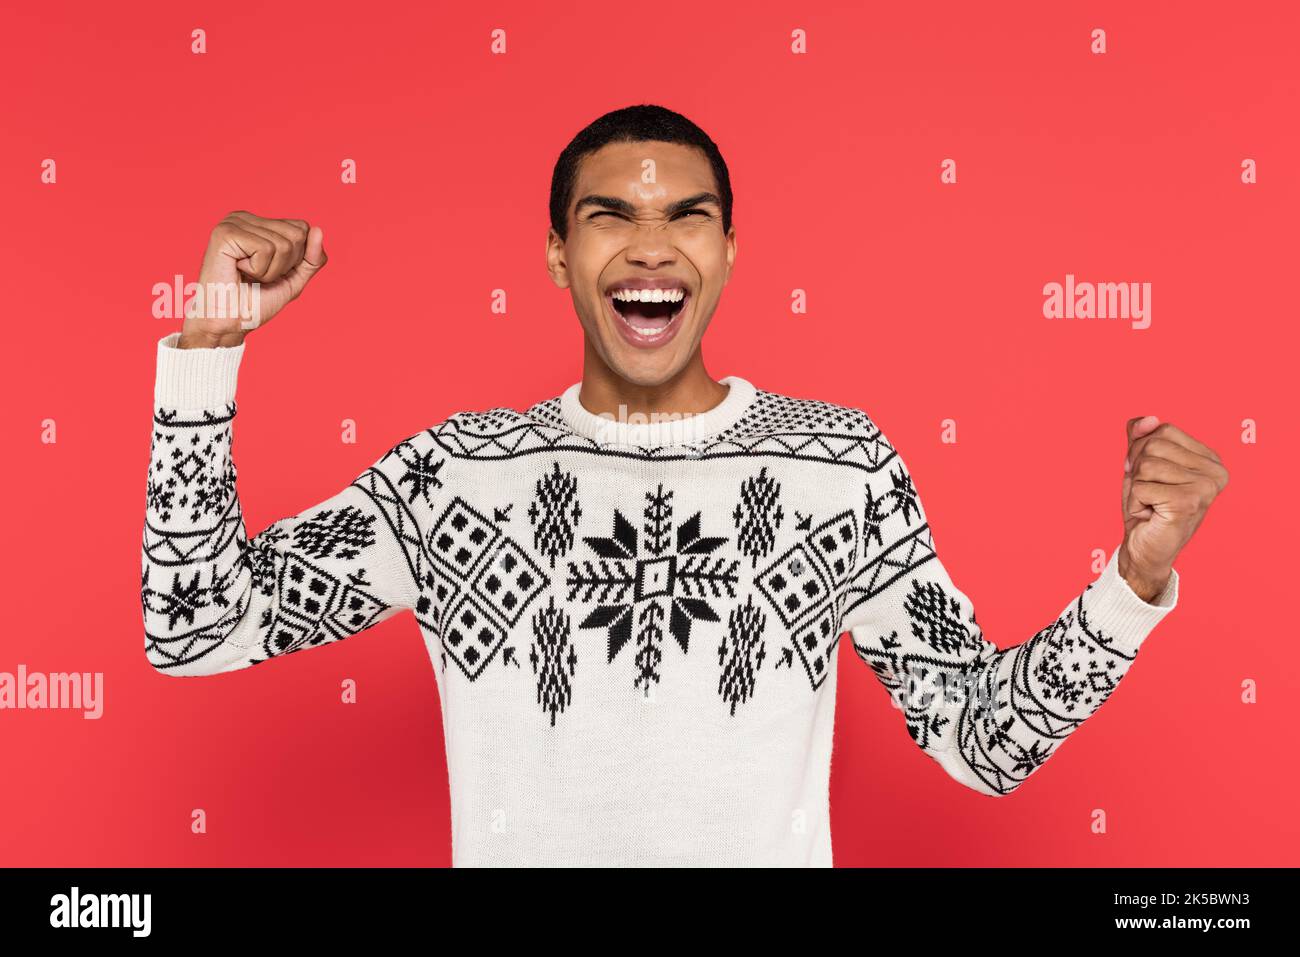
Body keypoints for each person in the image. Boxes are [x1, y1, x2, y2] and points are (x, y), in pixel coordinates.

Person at [140, 103, 1227, 867]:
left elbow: (982, 741)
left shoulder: (839, 471)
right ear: (557, 255)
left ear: (730, 250)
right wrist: (208, 348)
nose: (650, 247)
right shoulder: (453, 478)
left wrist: (1132, 580)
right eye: (610, 215)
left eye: (686, 215)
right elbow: (196, 627)